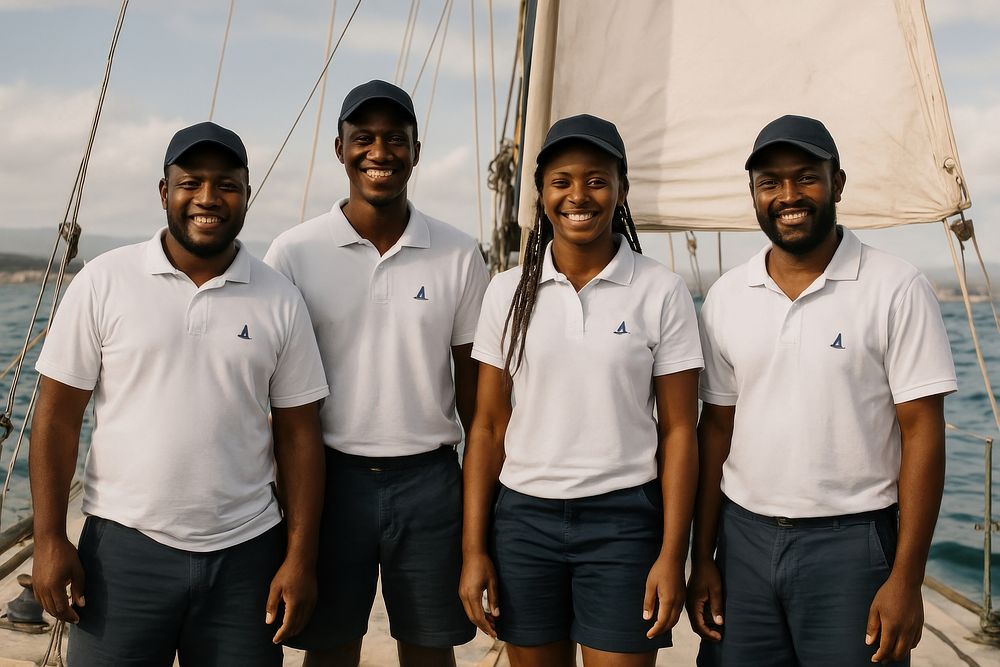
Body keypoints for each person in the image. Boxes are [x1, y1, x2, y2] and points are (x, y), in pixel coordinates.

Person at [29, 121, 330, 665]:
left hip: (246, 555)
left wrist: (300, 559)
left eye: (227, 184)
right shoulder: (103, 281)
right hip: (123, 553)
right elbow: (56, 418)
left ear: (246, 194)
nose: (208, 198)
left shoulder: (280, 299)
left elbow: (300, 435)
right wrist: (49, 538)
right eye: (190, 182)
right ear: (164, 191)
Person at [687, 115, 957, 666]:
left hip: (854, 547)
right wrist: (703, 556)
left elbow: (922, 430)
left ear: (837, 182)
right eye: (770, 182)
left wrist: (907, 579)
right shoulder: (726, 296)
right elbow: (715, 429)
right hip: (742, 540)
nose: (789, 195)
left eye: (806, 177)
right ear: (754, 194)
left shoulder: (897, 287)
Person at [460, 114, 703, 667]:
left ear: (621, 190)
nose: (579, 195)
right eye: (562, 180)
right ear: (542, 192)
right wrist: (473, 550)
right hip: (523, 521)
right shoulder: (506, 293)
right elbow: (488, 426)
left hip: (624, 523)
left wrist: (674, 553)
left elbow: (680, 431)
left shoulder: (661, 291)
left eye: (597, 180)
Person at [264, 80, 488, 667]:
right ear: (340, 150)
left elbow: (477, 399)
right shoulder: (293, 252)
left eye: (396, 139)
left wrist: (482, 512)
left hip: (430, 483)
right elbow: (270, 394)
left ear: (417, 150)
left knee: (431, 647)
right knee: (330, 648)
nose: (379, 152)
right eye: (363, 138)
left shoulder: (459, 254)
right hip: (329, 480)